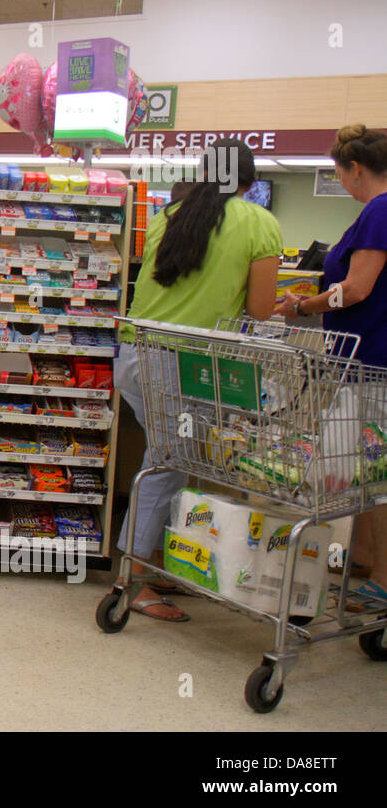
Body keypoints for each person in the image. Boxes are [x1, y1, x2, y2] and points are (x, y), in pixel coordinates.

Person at [116, 139, 282, 622]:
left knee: (174, 459)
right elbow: (260, 309)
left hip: (134, 353)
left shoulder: (170, 216)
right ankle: (133, 580)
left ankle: (164, 561)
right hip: (183, 364)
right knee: (168, 463)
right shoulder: (258, 223)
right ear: (249, 183)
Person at [275, 124, 387, 608]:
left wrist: (304, 307)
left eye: (341, 175)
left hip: (374, 361)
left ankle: (383, 578)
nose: (342, 183)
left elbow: (356, 289)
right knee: (364, 468)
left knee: (372, 471)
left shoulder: (380, 209)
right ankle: (363, 554)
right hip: (365, 360)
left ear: (356, 168)